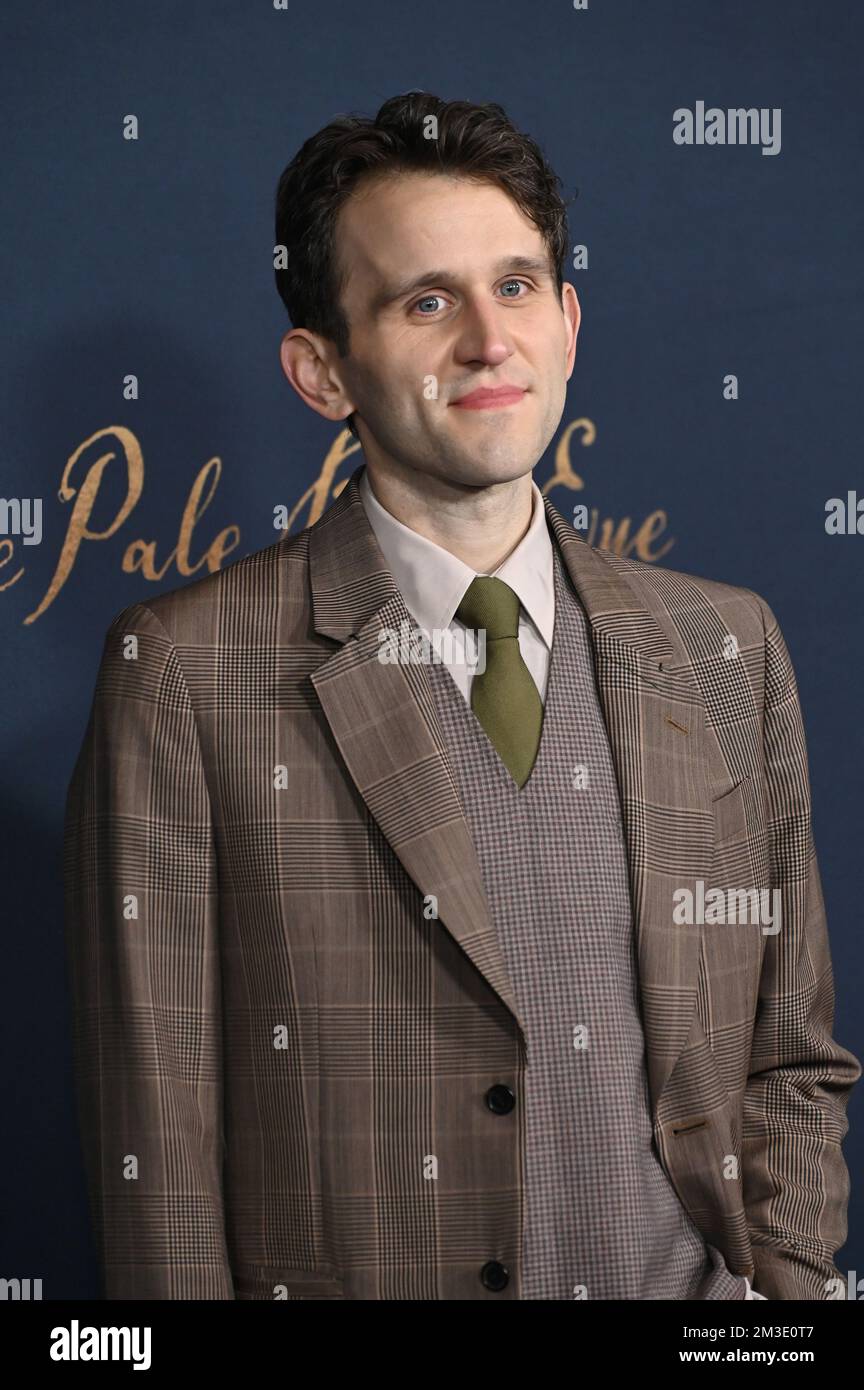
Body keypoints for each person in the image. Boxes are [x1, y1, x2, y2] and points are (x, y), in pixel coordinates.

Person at [64, 91, 860, 1300]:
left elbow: (790, 1057)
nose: (489, 340)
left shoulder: (726, 645)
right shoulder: (185, 674)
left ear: (570, 321)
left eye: (519, 285)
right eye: (426, 300)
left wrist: (787, 1300)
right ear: (322, 370)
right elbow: (157, 1152)